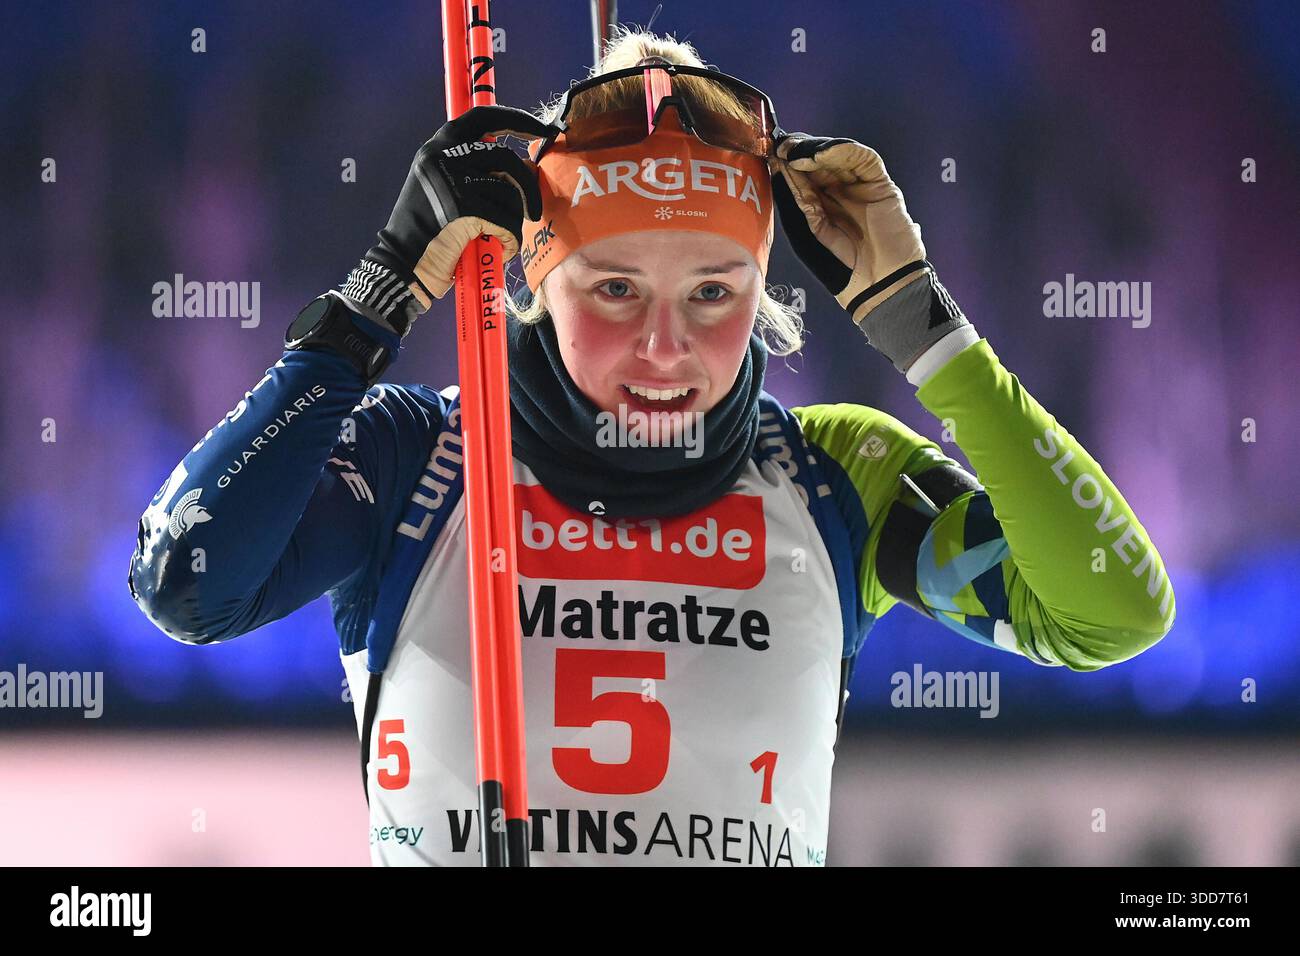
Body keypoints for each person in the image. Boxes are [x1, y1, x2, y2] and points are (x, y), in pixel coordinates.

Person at [128, 28, 1176, 867]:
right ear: (532, 278)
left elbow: (1110, 611)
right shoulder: (426, 453)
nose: (665, 345)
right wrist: (373, 299)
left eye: (714, 292)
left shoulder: (829, 475)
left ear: (764, 294)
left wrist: (924, 328)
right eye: (615, 287)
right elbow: (187, 580)